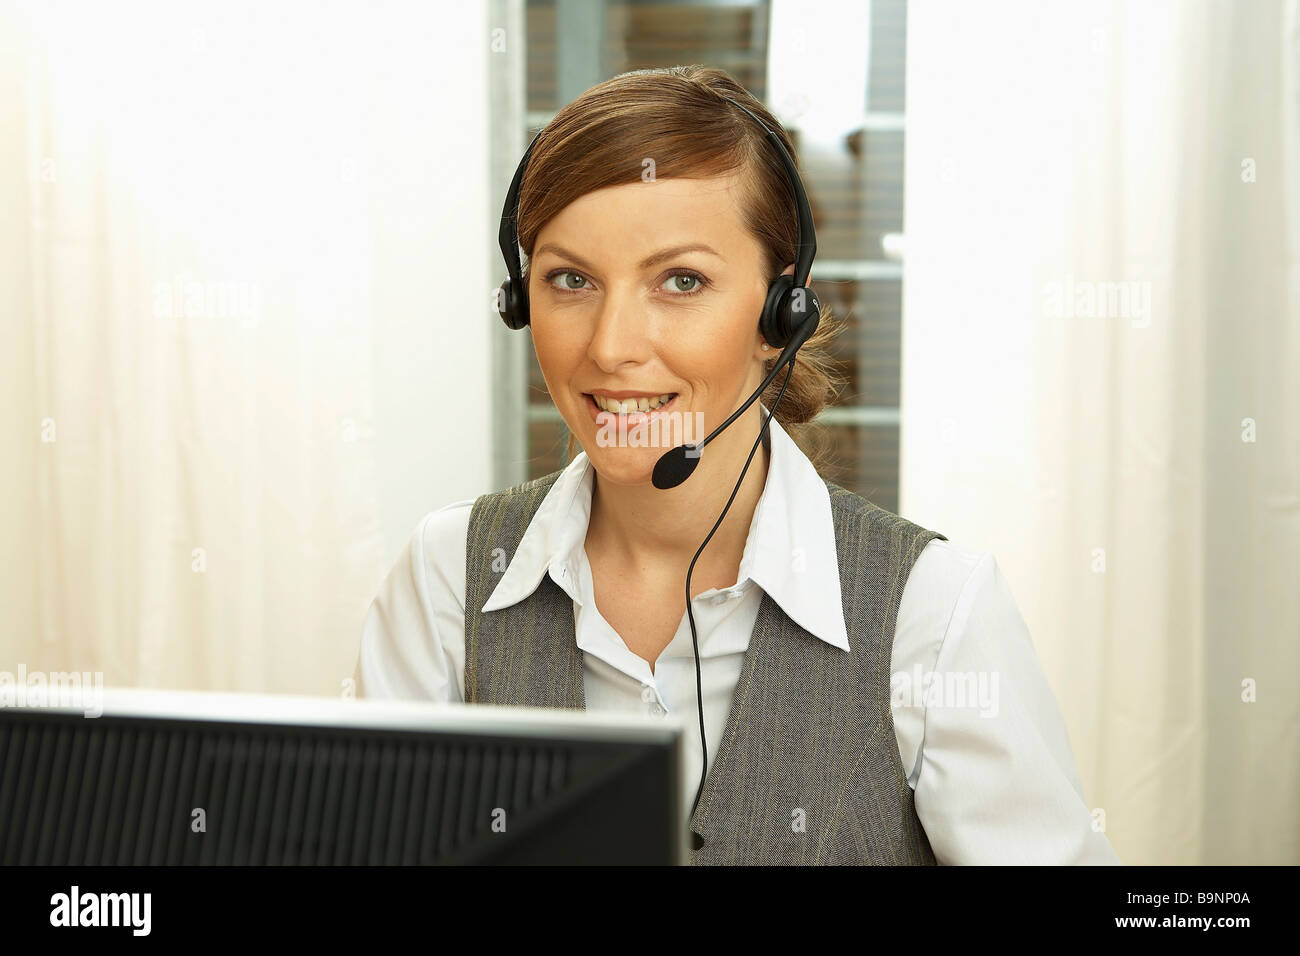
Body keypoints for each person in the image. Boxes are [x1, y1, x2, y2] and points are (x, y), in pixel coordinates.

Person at [355, 65, 1120, 865]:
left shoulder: (934, 614)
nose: (612, 346)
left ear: (778, 316)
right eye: (570, 280)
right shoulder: (446, 578)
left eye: (680, 281)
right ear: (520, 303)